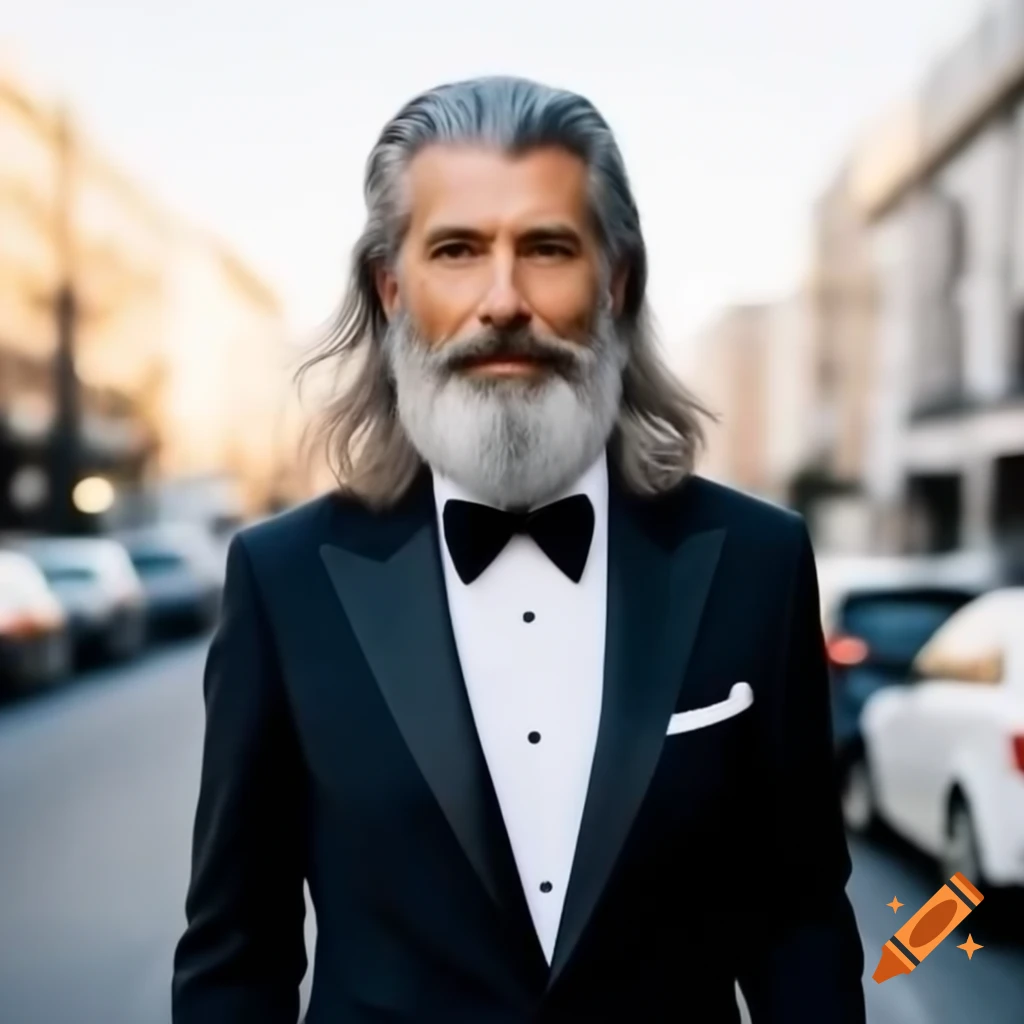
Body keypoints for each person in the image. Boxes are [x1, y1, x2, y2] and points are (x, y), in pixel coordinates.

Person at [171, 75, 866, 1023]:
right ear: (392, 286)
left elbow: (800, 926)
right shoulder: (282, 580)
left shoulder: (757, 560)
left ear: (616, 280)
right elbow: (234, 957)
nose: (503, 300)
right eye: (456, 250)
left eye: (547, 249)